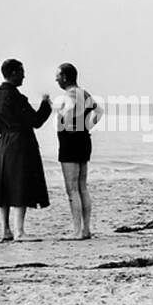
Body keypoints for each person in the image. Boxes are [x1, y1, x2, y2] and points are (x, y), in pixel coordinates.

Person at [0, 58, 51, 240]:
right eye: (22, 72)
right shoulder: (16, 97)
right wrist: (46, 104)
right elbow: (36, 121)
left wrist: (6, 130)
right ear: (13, 73)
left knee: (4, 185)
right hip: (21, 142)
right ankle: (20, 231)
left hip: (4, 142)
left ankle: (5, 230)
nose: (24, 76)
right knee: (20, 184)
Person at [54, 63, 103, 239]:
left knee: (72, 188)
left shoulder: (69, 96)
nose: (56, 79)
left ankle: (77, 231)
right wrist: (87, 125)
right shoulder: (85, 93)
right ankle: (86, 229)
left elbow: (67, 117)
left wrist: (69, 124)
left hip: (70, 142)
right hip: (84, 139)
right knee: (82, 186)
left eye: (58, 76)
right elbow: (99, 110)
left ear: (65, 77)